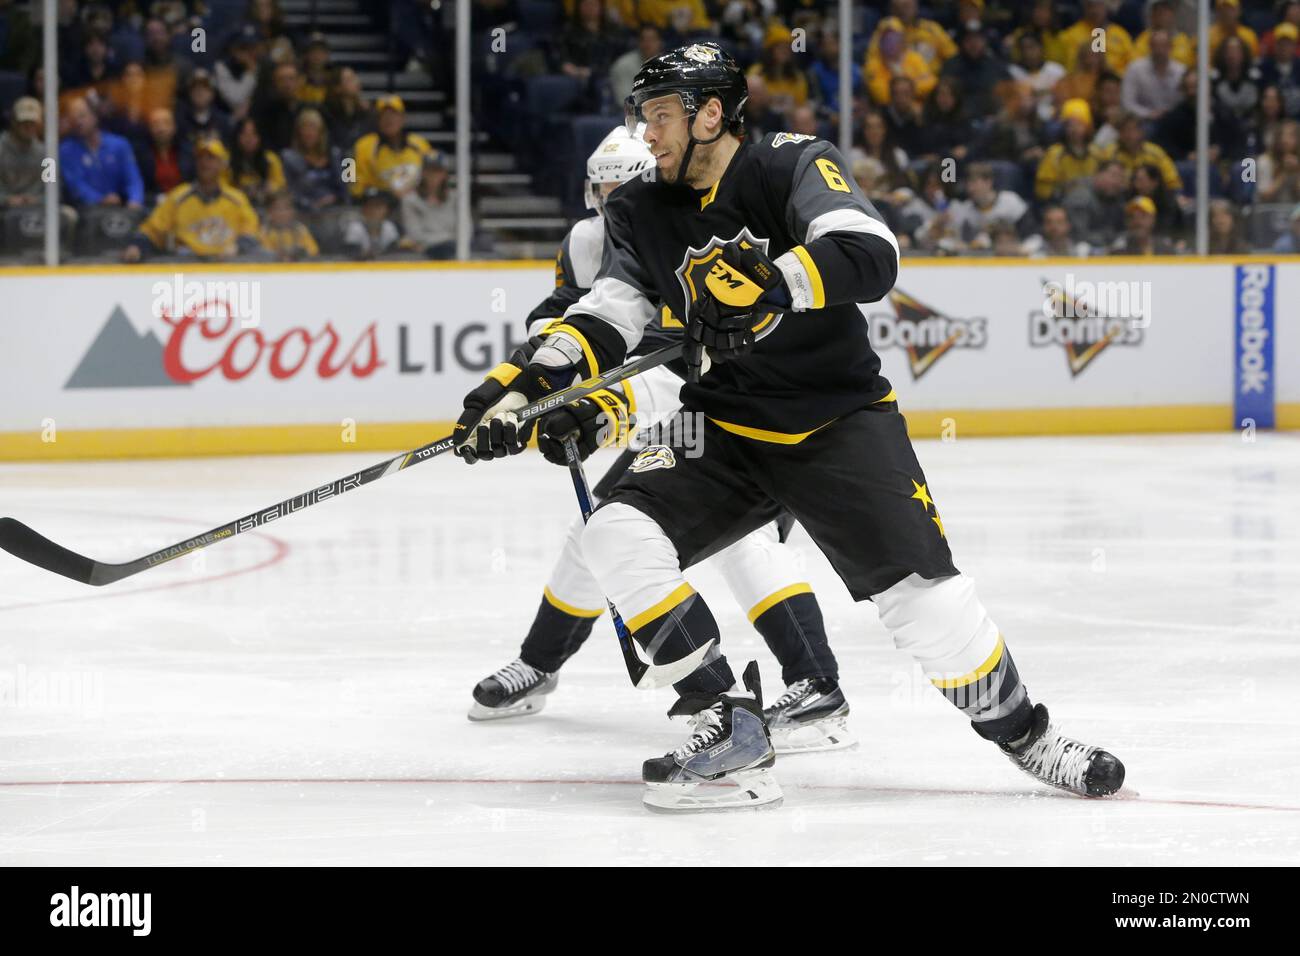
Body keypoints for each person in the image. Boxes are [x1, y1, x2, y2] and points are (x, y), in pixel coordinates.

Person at [451, 43, 1125, 811]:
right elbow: (604, 317)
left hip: (835, 418)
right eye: (643, 117)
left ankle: (1027, 735)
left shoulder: (789, 163)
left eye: (662, 116)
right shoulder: (639, 208)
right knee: (612, 534)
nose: (649, 134)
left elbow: (872, 254)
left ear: (712, 114)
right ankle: (727, 723)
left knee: (923, 604)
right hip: (722, 426)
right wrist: (510, 394)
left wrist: (776, 285)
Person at [468, 126, 855, 754]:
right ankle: (539, 664)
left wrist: (599, 409)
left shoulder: (693, 220)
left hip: (711, 403)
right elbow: (570, 309)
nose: (614, 196)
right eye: (604, 186)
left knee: (743, 541)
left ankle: (817, 684)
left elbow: (684, 364)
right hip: (637, 403)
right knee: (598, 535)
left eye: (626, 182)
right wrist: (530, 374)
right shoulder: (589, 236)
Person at [122, 137, 262, 261]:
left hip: (227, 267)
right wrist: (137, 247)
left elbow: (252, 230)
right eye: (200, 158)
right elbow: (153, 230)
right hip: (186, 267)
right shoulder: (179, 196)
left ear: (222, 164)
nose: (204, 163)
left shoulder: (236, 198)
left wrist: (237, 247)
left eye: (211, 158)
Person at [59, 96, 144, 209]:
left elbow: (133, 178)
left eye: (82, 116)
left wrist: (135, 200)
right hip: (84, 210)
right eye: (73, 118)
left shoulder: (119, 144)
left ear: (95, 116)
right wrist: (99, 199)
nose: (78, 122)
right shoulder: (66, 150)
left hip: (119, 207)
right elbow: (76, 185)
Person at [350, 95, 432, 198]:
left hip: (416, 202)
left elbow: (431, 177)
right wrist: (387, 194)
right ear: (377, 119)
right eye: (383, 115)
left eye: (394, 114)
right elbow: (354, 185)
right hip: (379, 204)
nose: (388, 119)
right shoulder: (363, 146)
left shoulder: (420, 144)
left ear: (403, 118)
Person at [400, 152, 457, 259]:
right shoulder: (410, 200)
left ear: (445, 174)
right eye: (429, 171)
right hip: (424, 253)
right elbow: (415, 235)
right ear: (423, 173)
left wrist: (448, 241)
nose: (433, 175)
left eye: (438, 171)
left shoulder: (457, 198)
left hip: (454, 250)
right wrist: (447, 238)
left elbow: (465, 231)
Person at [224, 116, 287, 209]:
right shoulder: (227, 160)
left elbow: (281, 187)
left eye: (253, 134)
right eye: (244, 134)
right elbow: (222, 187)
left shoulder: (270, 159)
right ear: (237, 136)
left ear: (260, 137)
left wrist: (269, 189)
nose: (249, 139)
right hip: (235, 207)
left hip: (266, 207)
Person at [259, 189, 320, 260]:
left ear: (293, 211)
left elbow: (314, 253)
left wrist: (301, 254)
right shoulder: (265, 232)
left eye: (287, 208)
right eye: (277, 209)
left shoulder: (300, 230)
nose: (283, 213)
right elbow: (264, 257)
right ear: (269, 212)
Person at [343, 187, 400, 259]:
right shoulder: (356, 228)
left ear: (386, 209)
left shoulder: (389, 227)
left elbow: (394, 255)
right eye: (369, 206)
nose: (373, 210)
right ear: (363, 209)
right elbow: (351, 254)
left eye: (378, 206)